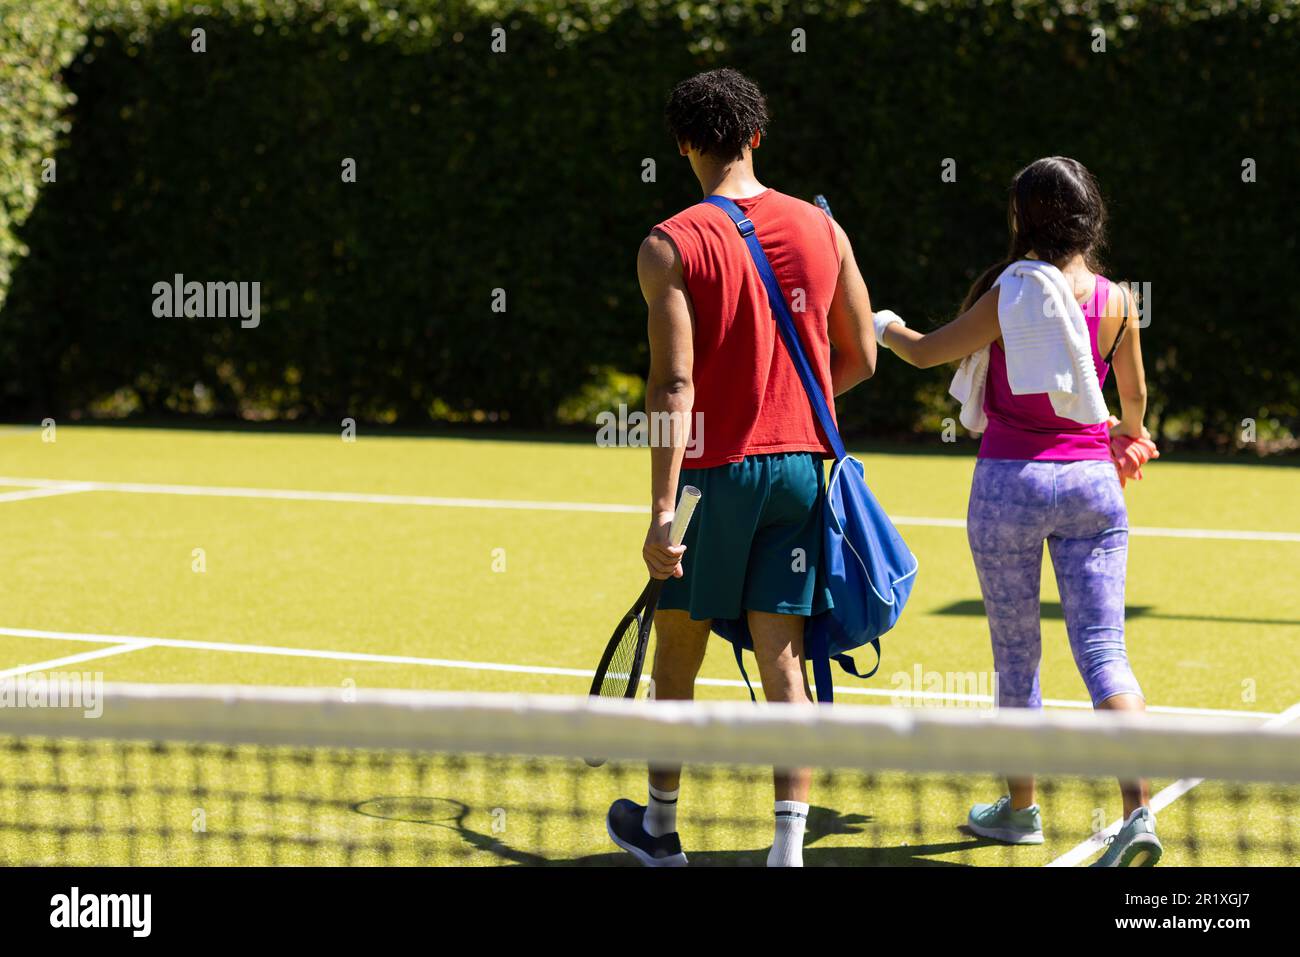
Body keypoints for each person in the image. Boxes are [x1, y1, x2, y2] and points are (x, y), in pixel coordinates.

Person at [604, 68, 877, 867]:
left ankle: (659, 829)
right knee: (784, 657)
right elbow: (857, 357)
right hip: (801, 472)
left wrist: (662, 510)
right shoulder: (825, 228)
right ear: (756, 135)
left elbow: (674, 384)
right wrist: (789, 401)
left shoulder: (668, 243)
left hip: (711, 476)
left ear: (686, 144)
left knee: (677, 653)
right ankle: (786, 852)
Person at [872, 156, 1161, 866]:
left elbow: (926, 352)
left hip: (1009, 485)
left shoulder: (1011, 291)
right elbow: (1136, 399)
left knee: (1016, 659)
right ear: (1092, 214)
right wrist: (1127, 438)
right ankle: (1139, 812)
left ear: (1022, 218)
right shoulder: (1119, 300)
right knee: (1105, 652)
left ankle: (1021, 811)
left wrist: (880, 323)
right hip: (1094, 484)